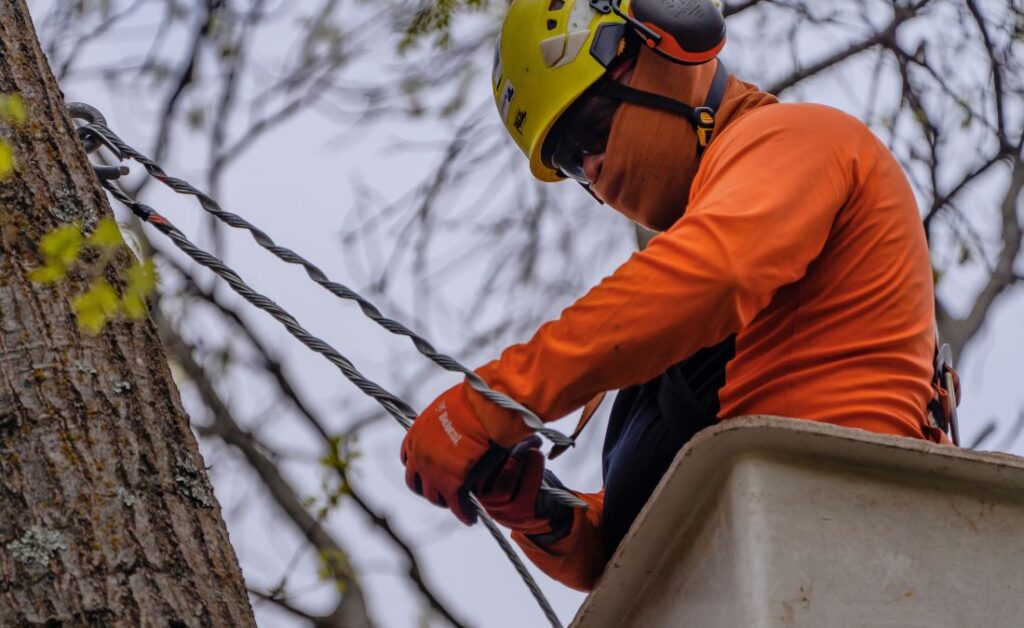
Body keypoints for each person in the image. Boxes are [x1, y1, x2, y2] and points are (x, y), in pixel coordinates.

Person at [400, 0, 953, 591]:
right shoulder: (677, 315)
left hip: (834, 547)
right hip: (761, 570)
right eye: (568, 159)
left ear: (667, 42)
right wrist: (549, 515)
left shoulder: (799, 139)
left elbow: (718, 271)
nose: (593, 162)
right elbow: (634, 544)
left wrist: (498, 399)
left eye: (588, 124)